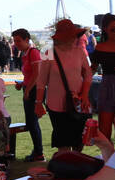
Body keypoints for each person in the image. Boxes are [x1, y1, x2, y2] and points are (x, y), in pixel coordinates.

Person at [35, 19, 93, 151]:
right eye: (72, 36)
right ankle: (65, 166)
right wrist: (38, 103)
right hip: (56, 105)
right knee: (63, 142)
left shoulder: (80, 52)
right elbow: (41, 81)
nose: (75, 39)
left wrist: (84, 95)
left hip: (78, 102)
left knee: (78, 141)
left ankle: (74, 167)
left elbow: (88, 75)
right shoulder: (47, 53)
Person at [11, 29, 44, 161]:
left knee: (32, 122)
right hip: (30, 88)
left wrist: (28, 89)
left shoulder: (33, 52)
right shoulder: (25, 53)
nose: (16, 43)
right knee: (31, 122)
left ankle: (38, 153)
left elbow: (37, 74)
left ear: (26, 40)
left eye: (18, 40)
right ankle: (37, 151)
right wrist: (23, 84)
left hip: (35, 90)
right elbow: (30, 75)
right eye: (14, 41)